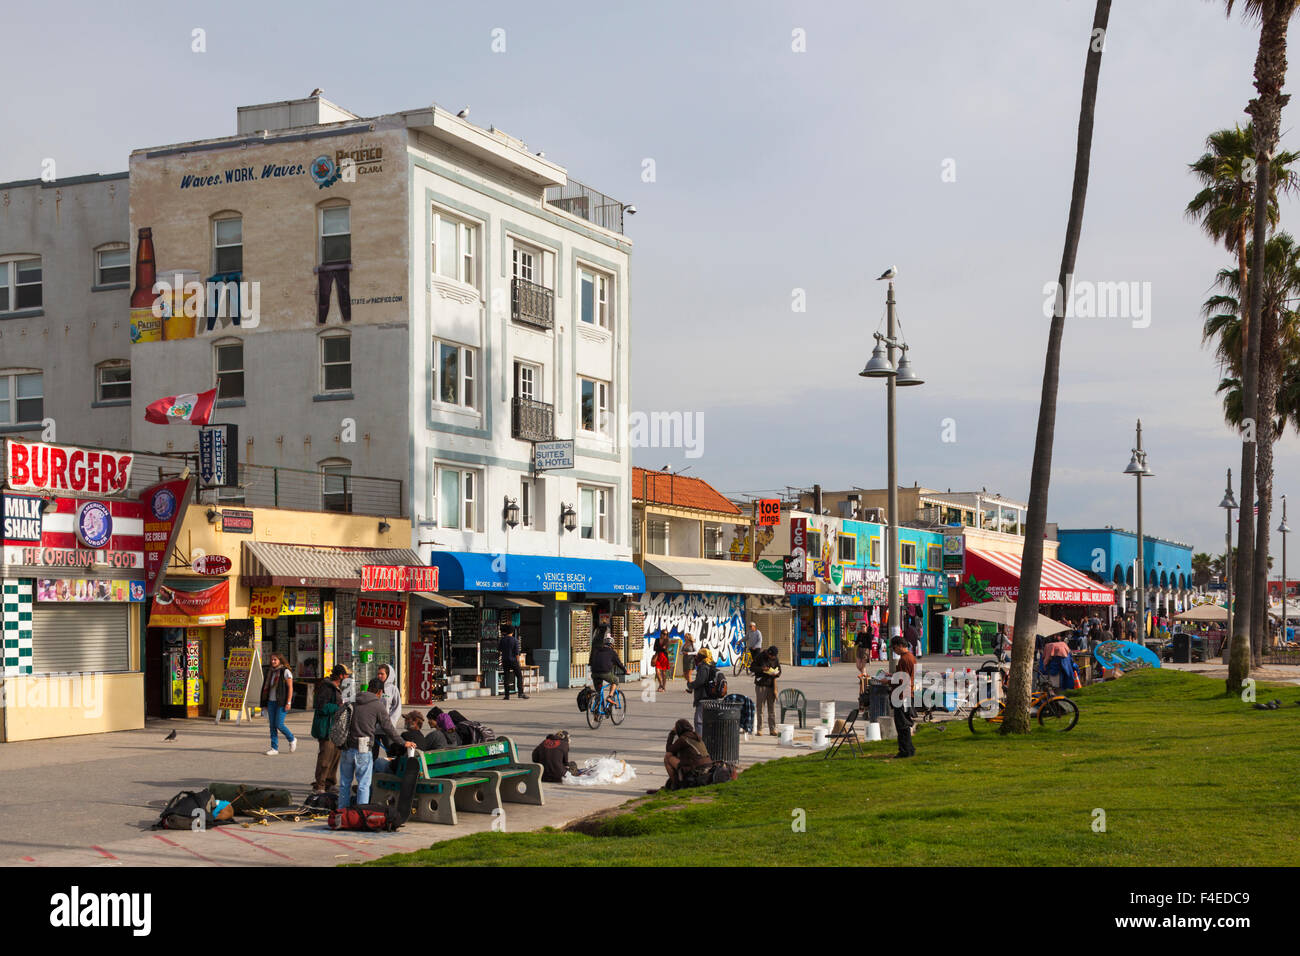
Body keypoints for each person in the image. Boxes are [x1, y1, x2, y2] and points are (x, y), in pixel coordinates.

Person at [338, 677, 413, 809]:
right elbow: (388, 728)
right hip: (363, 749)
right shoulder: (378, 705)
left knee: (345, 782)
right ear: (379, 692)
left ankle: (342, 810)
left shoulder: (354, 701)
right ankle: (361, 812)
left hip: (347, 747)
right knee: (363, 784)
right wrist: (403, 742)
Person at [310, 664, 347, 793]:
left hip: (336, 729)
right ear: (340, 675)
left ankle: (330, 782)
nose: (348, 676)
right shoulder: (326, 688)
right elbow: (321, 707)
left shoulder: (338, 687)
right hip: (326, 728)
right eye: (346, 674)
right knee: (325, 758)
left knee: (335, 756)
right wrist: (339, 707)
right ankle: (320, 784)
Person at [259, 652, 296, 756]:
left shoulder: (285, 671)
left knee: (279, 724)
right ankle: (274, 748)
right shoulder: (269, 671)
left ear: (280, 660)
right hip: (271, 702)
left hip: (281, 702)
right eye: (272, 659)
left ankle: (292, 739)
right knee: (272, 726)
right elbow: (266, 688)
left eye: (275, 659)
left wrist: (288, 702)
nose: (273, 661)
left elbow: (290, 688)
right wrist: (264, 702)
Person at [662, 718, 711, 790]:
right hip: (708, 765)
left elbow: (669, 750)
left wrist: (672, 734)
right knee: (677, 758)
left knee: (668, 757)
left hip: (695, 768)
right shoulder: (697, 736)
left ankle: (676, 784)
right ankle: (677, 781)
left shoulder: (683, 739)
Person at [888, 636, 917, 758]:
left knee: (902, 724)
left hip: (902, 695)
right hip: (906, 694)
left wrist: (888, 681)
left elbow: (902, 680)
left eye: (894, 648)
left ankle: (905, 750)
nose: (894, 651)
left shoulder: (904, 659)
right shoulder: (910, 657)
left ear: (900, 645)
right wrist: (892, 675)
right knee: (904, 723)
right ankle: (909, 749)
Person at [588, 628, 625, 708]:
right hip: (605, 673)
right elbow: (619, 664)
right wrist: (625, 671)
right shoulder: (612, 652)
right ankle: (610, 696)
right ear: (612, 645)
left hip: (594, 673)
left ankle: (597, 714)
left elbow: (590, 662)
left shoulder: (596, 651)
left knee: (599, 692)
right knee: (615, 680)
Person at [753, 645, 781, 735]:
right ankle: (759, 729)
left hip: (771, 685)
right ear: (769, 654)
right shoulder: (760, 657)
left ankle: (772, 729)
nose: (773, 658)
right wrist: (762, 669)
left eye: (774, 656)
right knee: (760, 707)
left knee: (771, 708)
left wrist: (776, 673)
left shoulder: (775, 659)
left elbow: (779, 670)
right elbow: (752, 668)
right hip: (761, 684)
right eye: (772, 656)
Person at [687, 648, 716, 735]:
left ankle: (699, 739)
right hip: (711, 695)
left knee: (699, 721)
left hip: (703, 696)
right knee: (707, 720)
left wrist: (690, 685)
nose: (697, 657)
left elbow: (700, 681)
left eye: (699, 655)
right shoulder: (712, 665)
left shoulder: (703, 666)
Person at [498, 623, 527, 700]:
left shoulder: (502, 640)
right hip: (513, 660)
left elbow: (500, 650)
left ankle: (507, 695)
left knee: (506, 677)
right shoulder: (515, 640)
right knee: (519, 676)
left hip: (505, 660)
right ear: (512, 632)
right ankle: (520, 693)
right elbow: (517, 653)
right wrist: (518, 662)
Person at [375, 662, 401, 727]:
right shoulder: (374, 687)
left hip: (387, 727)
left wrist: (390, 722)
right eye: (378, 674)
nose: (379, 676)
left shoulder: (393, 689)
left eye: (382, 674)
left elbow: (397, 707)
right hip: (374, 727)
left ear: (388, 675)